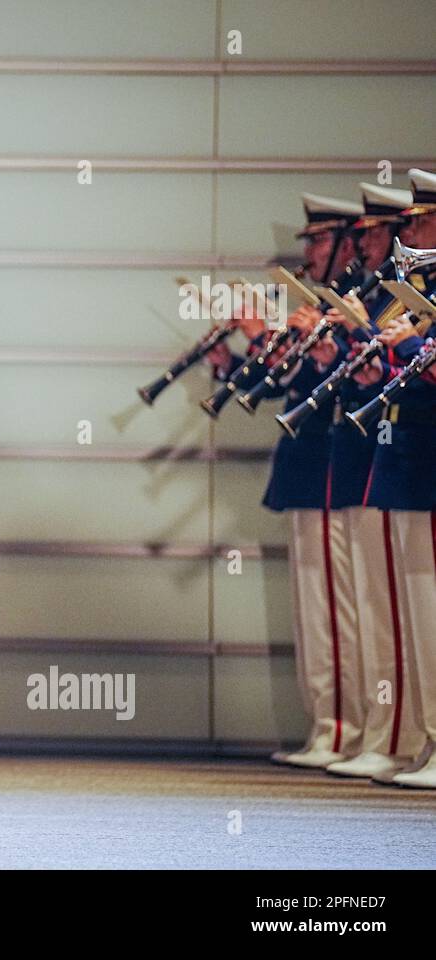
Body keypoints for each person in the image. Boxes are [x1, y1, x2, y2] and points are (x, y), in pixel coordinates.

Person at [264, 194, 364, 768]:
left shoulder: (367, 300)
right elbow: (292, 383)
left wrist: (338, 345)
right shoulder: (330, 300)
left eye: (321, 241)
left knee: (351, 610)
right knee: (321, 608)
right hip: (315, 467)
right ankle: (331, 724)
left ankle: (353, 727)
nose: (311, 253)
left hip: (349, 465)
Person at [354, 168, 436, 787]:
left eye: (419, 221)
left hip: (422, 460)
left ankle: (417, 738)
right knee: (402, 615)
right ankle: (406, 738)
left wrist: (406, 348)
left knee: (423, 615)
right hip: (402, 459)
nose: (411, 232)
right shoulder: (410, 290)